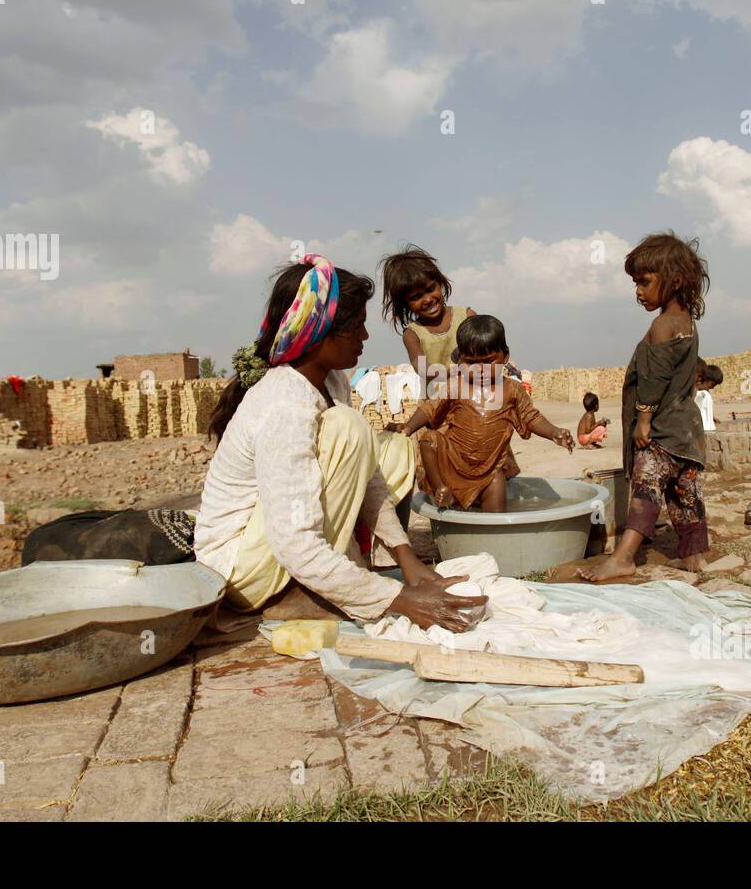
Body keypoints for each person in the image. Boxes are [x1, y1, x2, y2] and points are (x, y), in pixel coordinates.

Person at [194, 254, 485, 631]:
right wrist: (395, 599)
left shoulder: (333, 383)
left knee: (384, 447)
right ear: (321, 333)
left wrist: (405, 555)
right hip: (240, 574)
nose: (365, 337)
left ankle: (329, 577)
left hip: (273, 552)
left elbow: (368, 478)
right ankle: (292, 594)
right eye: (358, 328)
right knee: (350, 429)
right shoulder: (285, 405)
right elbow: (294, 541)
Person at [579, 232, 711, 581]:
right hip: (687, 431)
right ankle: (694, 555)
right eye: (636, 283)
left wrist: (643, 421)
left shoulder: (662, 325)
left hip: (662, 429)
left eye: (644, 282)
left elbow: (653, 381)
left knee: (646, 488)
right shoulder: (687, 324)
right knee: (685, 491)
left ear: (676, 280)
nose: (638, 290)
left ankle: (623, 556)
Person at [390, 315, 573, 511]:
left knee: (495, 520)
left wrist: (554, 432)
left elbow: (531, 417)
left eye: (488, 361)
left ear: (505, 357)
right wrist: (407, 427)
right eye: (471, 362)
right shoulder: (456, 386)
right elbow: (430, 408)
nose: (480, 370)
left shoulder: (511, 390)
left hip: (490, 470)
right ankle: (441, 489)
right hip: (454, 463)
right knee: (428, 440)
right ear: (460, 360)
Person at [380, 245, 475, 387]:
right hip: (436, 403)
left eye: (431, 289)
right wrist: (452, 373)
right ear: (405, 304)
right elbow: (423, 369)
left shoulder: (466, 316)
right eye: (416, 297)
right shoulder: (412, 334)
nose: (427, 299)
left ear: (440, 283)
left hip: (473, 396)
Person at [694, 362, 723, 431]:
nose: (712, 388)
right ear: (705, 380)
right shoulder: (694, 390)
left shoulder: (705, 392)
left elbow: (704, 408)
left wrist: (711, 417)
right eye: (712, 385)